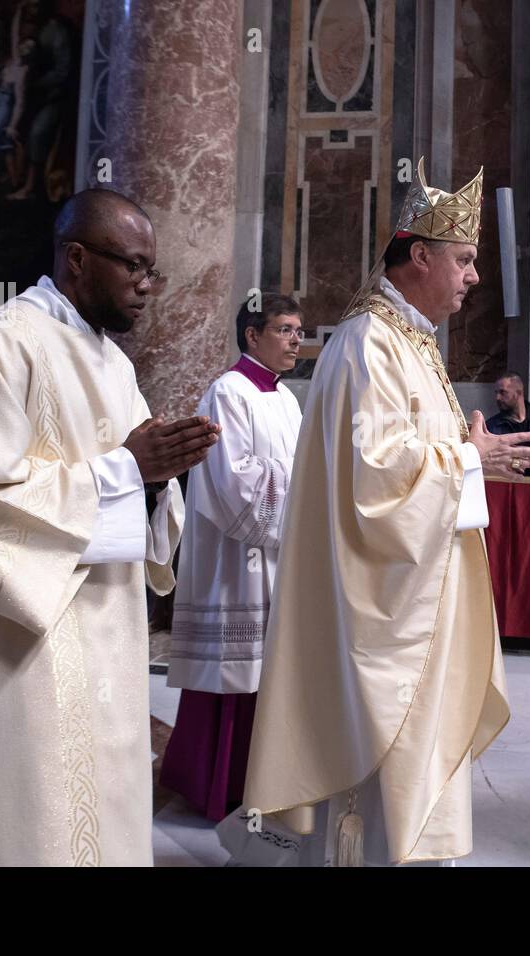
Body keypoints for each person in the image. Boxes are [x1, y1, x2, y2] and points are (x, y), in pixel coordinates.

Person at [220, 161, 530, 866]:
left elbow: (409, 455)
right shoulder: (370, 343)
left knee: (417, 763)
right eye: (463, 260)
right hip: (387, 609)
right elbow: (373, 480)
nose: (474, 276)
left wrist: (468, 451)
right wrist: (467, 461)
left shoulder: (413, 342)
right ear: (419, 256)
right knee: (381, 780)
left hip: (421, 592)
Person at [0, 188, 219, 866]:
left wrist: (158, 479)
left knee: (106, 817)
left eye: (151, 270)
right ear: (77, 257)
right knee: (43, 824)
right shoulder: (2, 345)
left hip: (110, 635)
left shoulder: (113, 362)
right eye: (132, 266)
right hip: (28, 643)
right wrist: (123, 472)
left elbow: (132, 488)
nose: (146, 286)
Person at [161, 293, 304, 822]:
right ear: (252, 335)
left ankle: (264, 782)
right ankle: (217, 785)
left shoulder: (287, 400)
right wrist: (304, 488)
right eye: (285, 329)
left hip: (277, 561)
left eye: (298, 330)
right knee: (233, 679)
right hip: (236, 563)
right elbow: (233, 483)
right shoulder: (227, 392)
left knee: (268, 679)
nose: (296, 339)